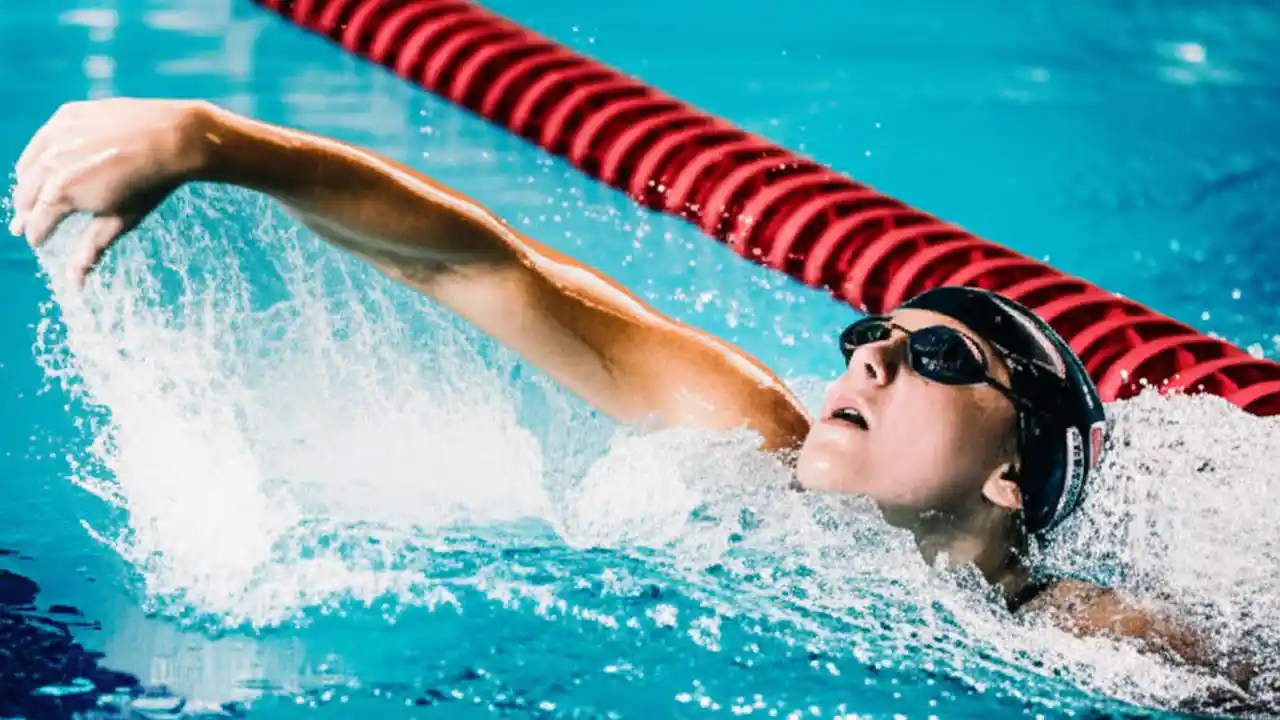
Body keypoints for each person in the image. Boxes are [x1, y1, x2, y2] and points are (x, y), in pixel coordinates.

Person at [6, 99, 1231, 679]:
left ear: (1013, 475)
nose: (867, 360)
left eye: (939, 358)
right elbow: (486, 270)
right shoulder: (755, 448)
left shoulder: (1084, 637)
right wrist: (219, 145)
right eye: (871, 335)